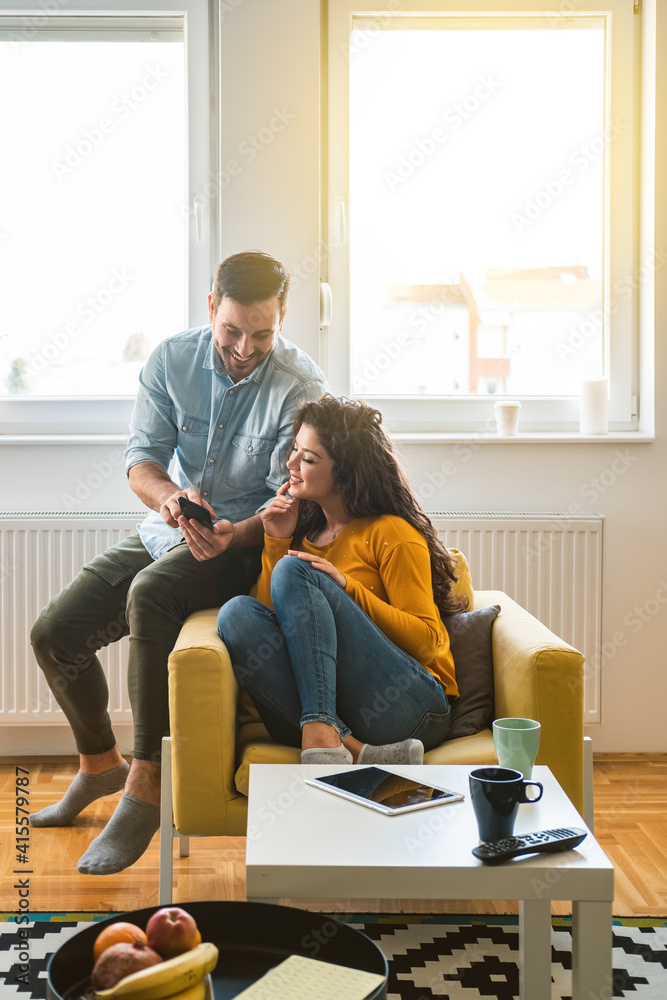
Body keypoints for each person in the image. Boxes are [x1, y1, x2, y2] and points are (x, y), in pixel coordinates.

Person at [29, 250, 329, 873]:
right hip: (170, 527)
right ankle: (99, 766)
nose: (246, 347)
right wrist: (171, 500)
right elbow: (141, 461)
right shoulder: (171, 359)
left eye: (263, 333)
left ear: (283, 318)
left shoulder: (302, 387)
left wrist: (233, 533)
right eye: (233, 330)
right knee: (54, 634)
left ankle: (146, 786)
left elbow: (295, 501)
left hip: (245, 543)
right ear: (212, 306)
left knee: (150, 594)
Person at [213, 395, 466, 767]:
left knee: (293, 569)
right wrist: (276, 540)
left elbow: (426, 643)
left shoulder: (390, 532)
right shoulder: (303, 535)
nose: (291, 464)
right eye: (295, 450)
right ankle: (346, 745)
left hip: (411, 709)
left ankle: (321, 727)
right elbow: (275, 633)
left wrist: (346, 588)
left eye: (309, 459)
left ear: (345, 472)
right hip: (343, 711)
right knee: (236, 613)